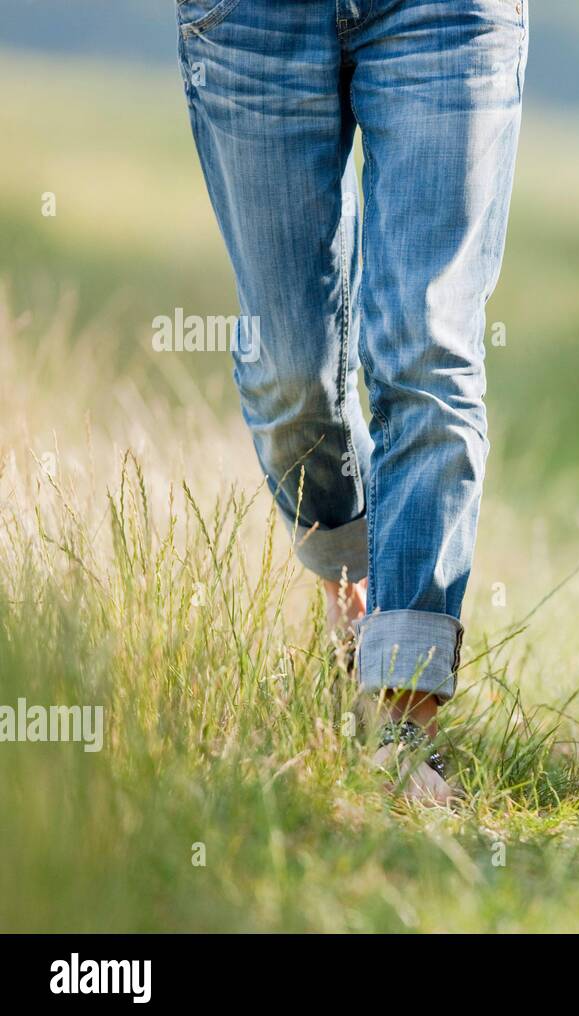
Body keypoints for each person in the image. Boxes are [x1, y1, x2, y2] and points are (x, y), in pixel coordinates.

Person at [177, 0, 528, 799]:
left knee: (428, 346)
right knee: (289, 370)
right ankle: (351, 571)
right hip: (250, 19)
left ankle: (403, 730)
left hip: (446, 15)